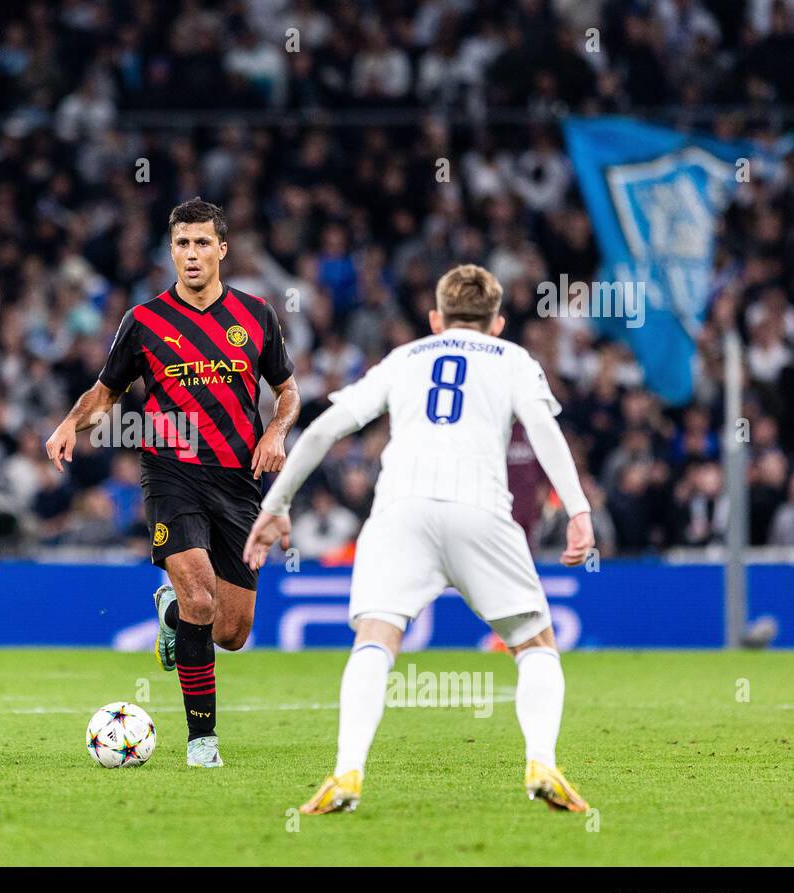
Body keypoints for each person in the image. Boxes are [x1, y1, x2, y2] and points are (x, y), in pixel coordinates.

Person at [244, 264, 594, 813]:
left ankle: (347, 773)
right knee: (534, 645)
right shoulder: (514, 360)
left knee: (375, 640)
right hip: (481, 509)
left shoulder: (405, 357)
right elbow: (545, 430)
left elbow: (324, 429)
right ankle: (542, 762)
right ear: (497, 323)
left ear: (435, 319)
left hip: (399, 511)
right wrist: (578, 509)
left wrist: (275, 505)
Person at [46, 198, 300, 768]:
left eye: (202, 243)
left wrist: (277, 432)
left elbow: (287, 391)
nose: (191, 254)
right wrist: (70, 422)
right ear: (171, 251)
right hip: (171, 470)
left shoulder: (257, 316)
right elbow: (105, 392)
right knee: (202, 596)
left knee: (232, 631)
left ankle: (170, 615)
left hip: (239, 478)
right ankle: (201, 742)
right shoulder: (143, 321)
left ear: (222, 249)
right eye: (182, 244)